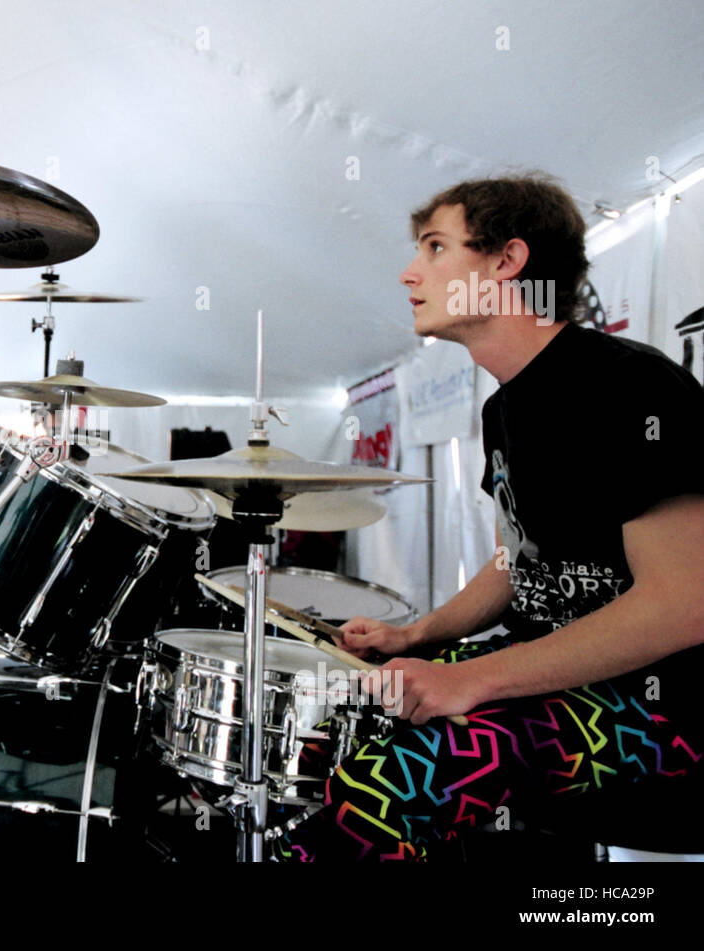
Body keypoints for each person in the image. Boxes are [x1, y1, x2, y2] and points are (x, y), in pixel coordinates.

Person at [272, 175, 704, 860]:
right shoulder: (503, 409)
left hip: (662, 709)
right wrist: (416, 635)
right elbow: (521, 557)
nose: (409, 273)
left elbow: (683, 604)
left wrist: (468, 678)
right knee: (348, 708)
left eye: (435, 247)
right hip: (562, 679)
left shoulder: (628, 385)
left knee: (399, 780)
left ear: (506, 262)